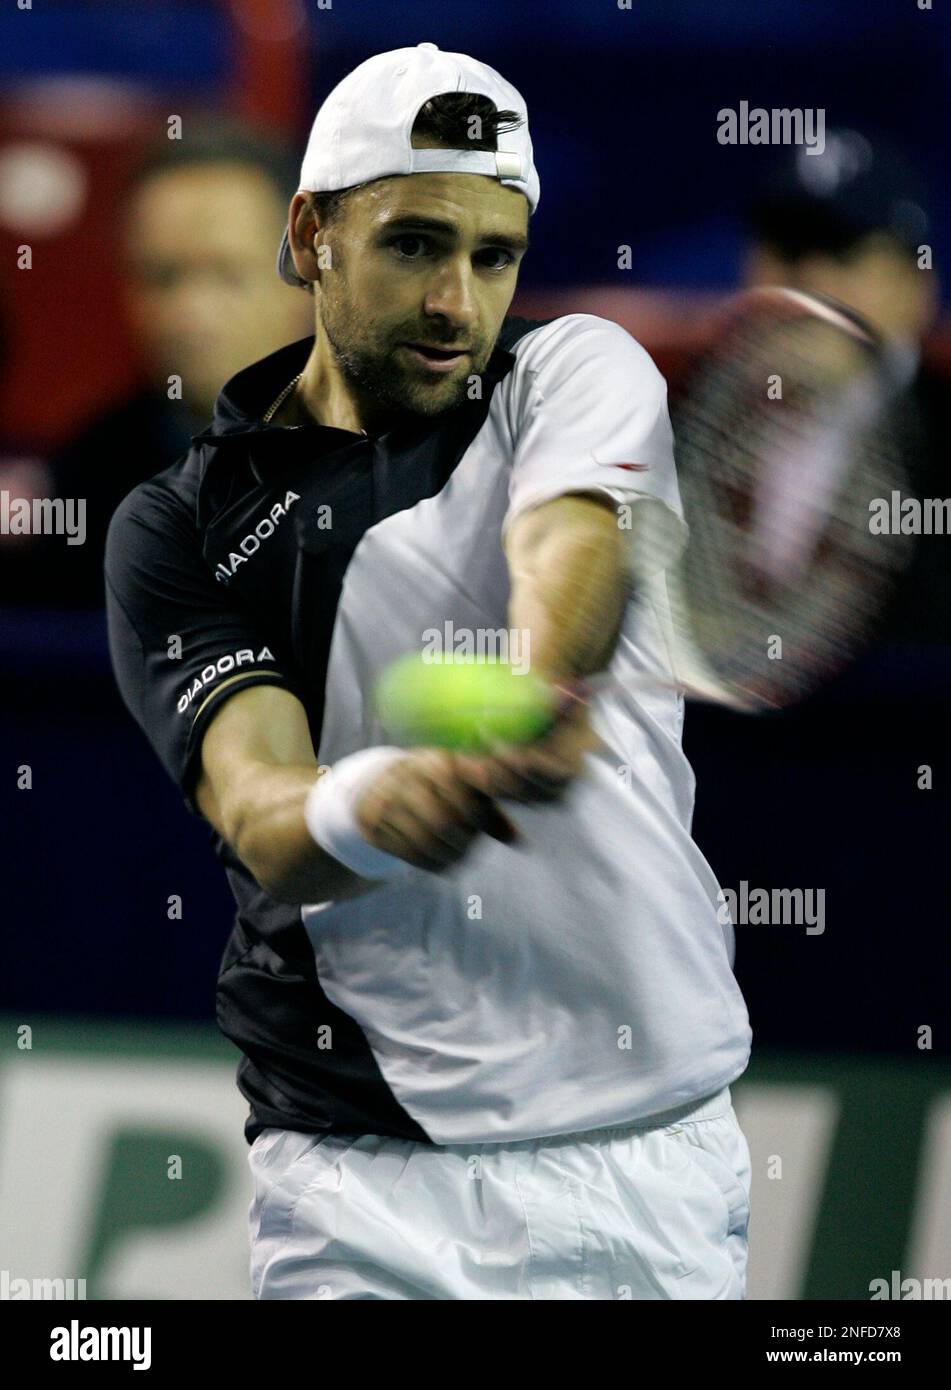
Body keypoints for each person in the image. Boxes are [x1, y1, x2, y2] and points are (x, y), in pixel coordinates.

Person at [105, 43, 752, 1301]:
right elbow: (258, 805)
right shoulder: (177, 525)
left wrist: (534, 684)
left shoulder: (576, 370)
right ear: (311, 233)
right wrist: (374, 803)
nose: (458, 302)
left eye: (493, 256)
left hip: (646, 1170)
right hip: (356, 1182)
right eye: (412, 245)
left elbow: (564, 540)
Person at [42, 119, 312, 607]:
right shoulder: (84, 480)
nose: (191, 314)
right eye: (163, 277)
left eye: (227, 275)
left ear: (305, 280)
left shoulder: (395, 465)